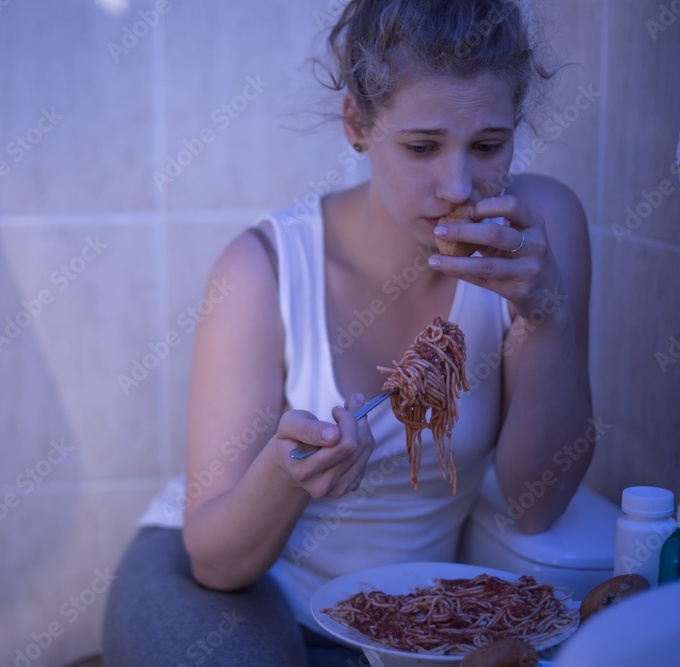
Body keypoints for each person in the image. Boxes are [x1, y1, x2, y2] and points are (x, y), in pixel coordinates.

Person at [102, 0, 593, 664]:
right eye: (422, 147)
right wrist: (285, 477)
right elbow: (217, 561)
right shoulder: (264, 268)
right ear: (357, 124)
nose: (457, 185)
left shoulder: (540, 234)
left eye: (488, 146)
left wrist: (548, 316)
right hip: (232, 581)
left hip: (390, 620)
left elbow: (538, 504)